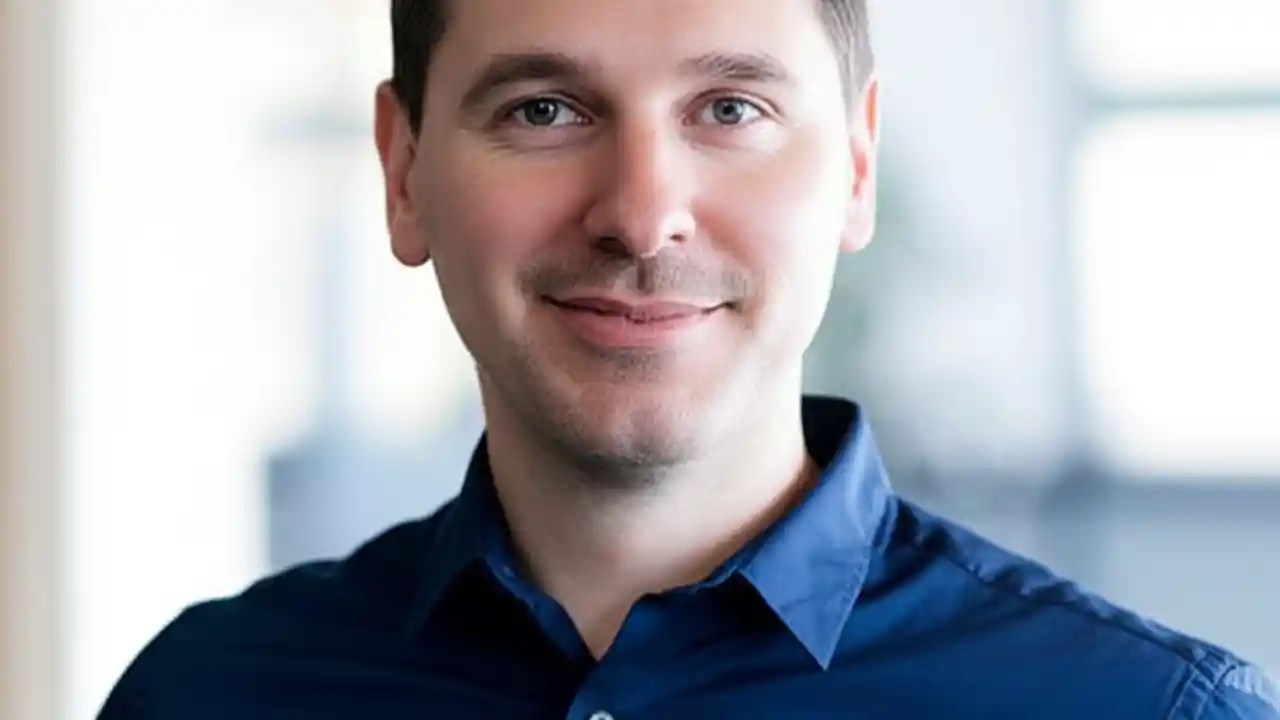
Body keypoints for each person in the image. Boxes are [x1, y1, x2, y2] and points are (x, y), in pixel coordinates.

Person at [99, 0, 1280, 717]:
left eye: (728, 110)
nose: (641, 213)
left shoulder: (1141, 713)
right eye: (544, 110)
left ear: (853, 168)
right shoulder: (203, 695)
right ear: (402, 174)